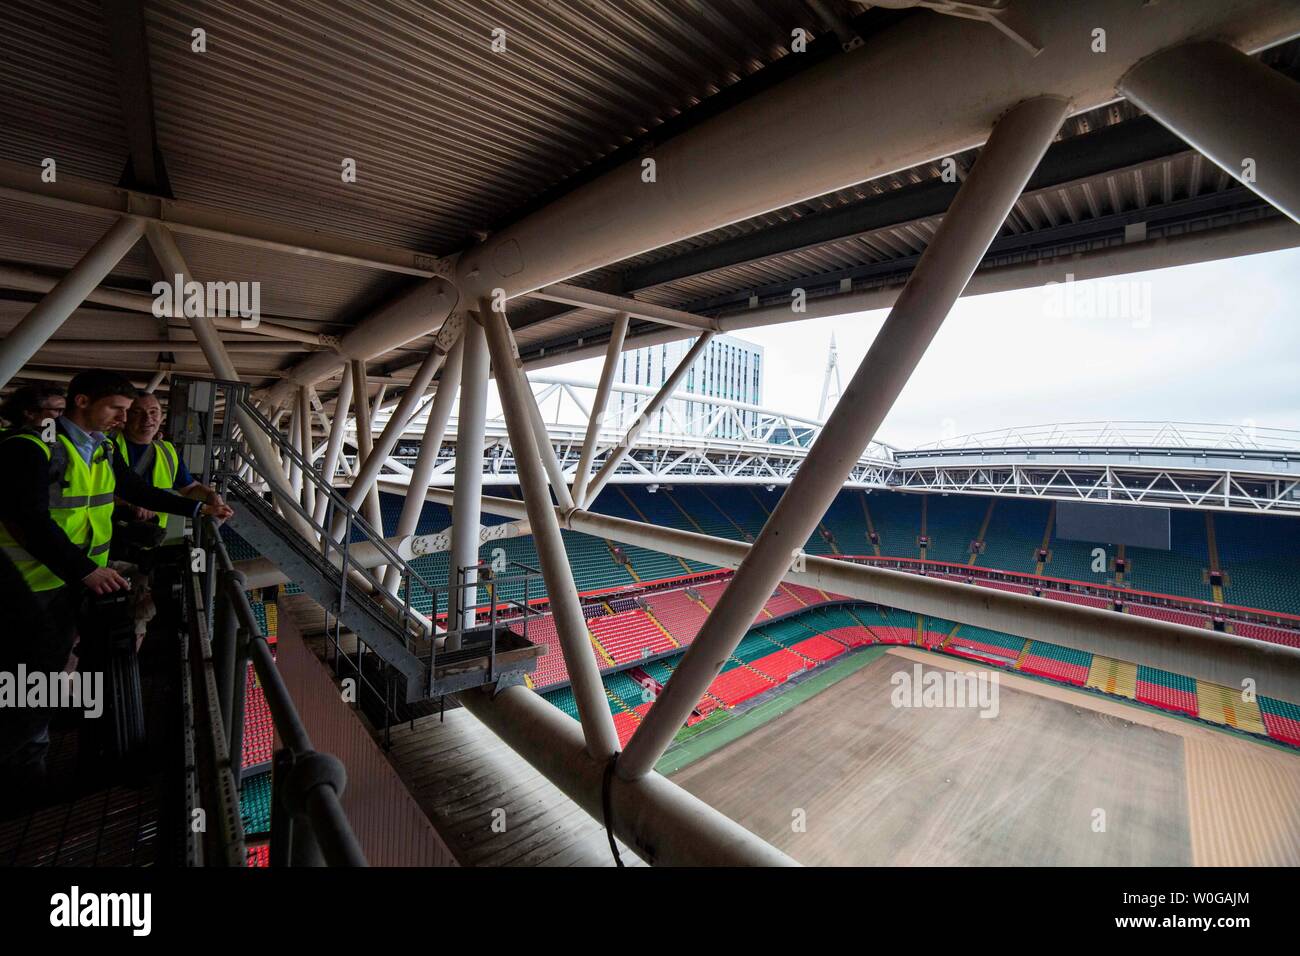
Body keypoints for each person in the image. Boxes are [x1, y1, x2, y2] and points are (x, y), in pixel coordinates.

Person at [0, 369, 233, 793]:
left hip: (69, 582)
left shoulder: (102, 449)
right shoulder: (29, 448)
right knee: (28, 675)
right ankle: (21, 764)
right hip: (30, 585)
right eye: (117, 410)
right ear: (82, 401)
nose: (123, 421)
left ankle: (32, 754)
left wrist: (200, 511)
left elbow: (137, 489)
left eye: (129, 412)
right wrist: (86, 570)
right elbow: (27, 521)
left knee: (47, 670)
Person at [112, 391, 227, 535]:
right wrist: (130, 502)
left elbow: (189, 489)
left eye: (153, 412)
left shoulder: (167, 452)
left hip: (151, 538)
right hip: (108, 534)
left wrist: (211, 496)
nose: (147, 418)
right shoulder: (108, 445)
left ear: (161, 417)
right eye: (137, 412)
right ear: (125, 417)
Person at [0, 383, 65, 435]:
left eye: (64, 410)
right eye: (58, 410)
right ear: (30, 413)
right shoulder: (19, 442)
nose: (62, 415)